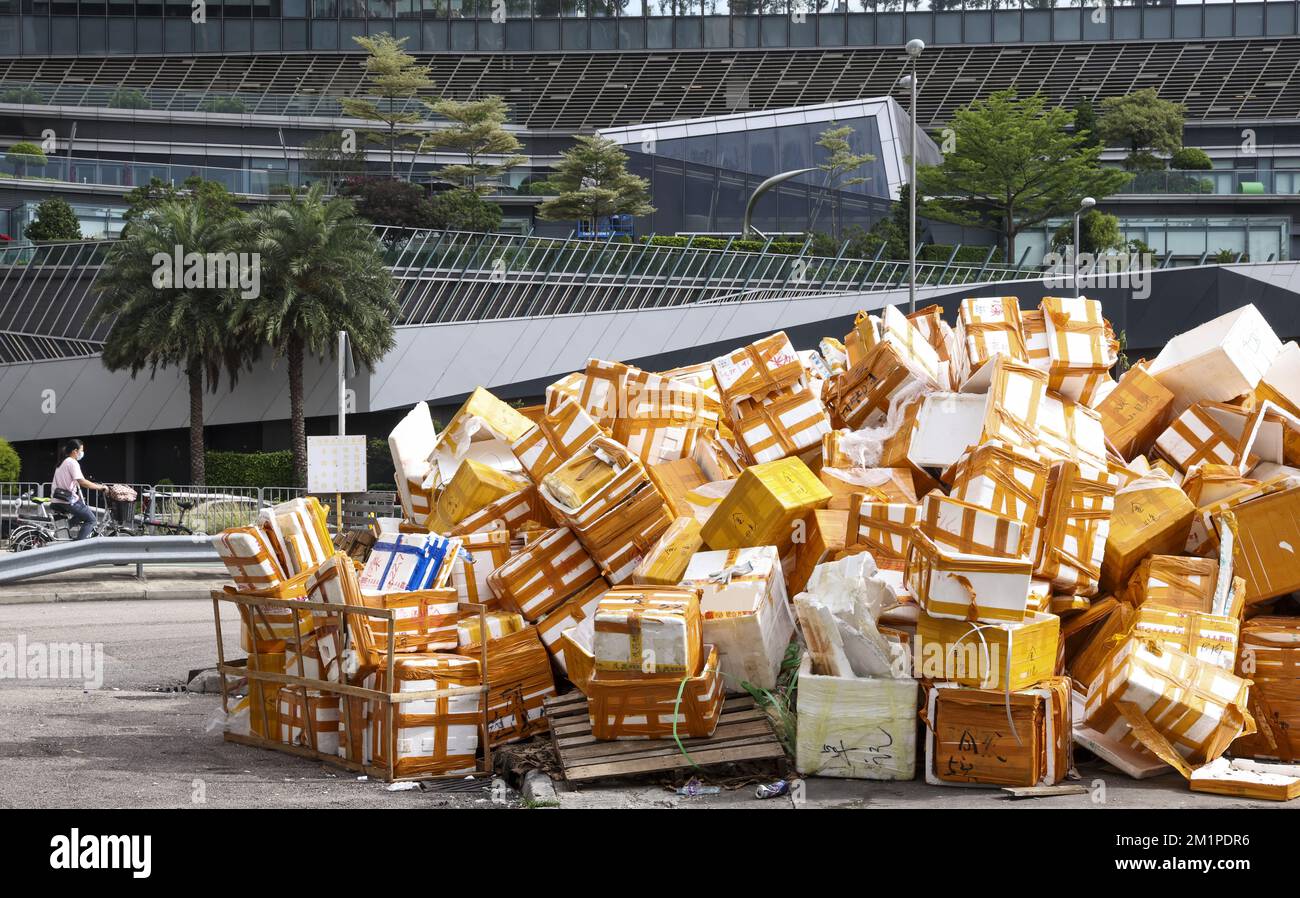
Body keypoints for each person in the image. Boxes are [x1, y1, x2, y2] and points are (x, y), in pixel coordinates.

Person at [51, 439, 106, 540]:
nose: (82, 453)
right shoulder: (72, 462)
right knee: (91, 520)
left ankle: (61, 531)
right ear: (75, 451)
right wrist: (100, 487)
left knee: (80, 516)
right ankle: (79, 547)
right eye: (81, 450)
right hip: (67, 500)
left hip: (58, 499)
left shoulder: (63, 461)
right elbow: (82, 481)